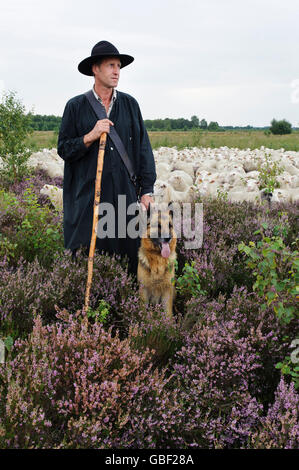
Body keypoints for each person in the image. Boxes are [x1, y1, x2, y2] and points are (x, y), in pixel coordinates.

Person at [57, 41, 156, 276]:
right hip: (87, 198)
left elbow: (143, 148)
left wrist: (147, 190)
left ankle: (125, 305)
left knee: (129, 255)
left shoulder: (130, 105)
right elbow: (63, 148)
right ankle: (86, 307)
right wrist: (90, 136)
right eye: (111, 65)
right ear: (95, 69)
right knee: (86, 255)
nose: (116, 71)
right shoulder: (75, 107)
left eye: (119, 66)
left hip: (124, 194)